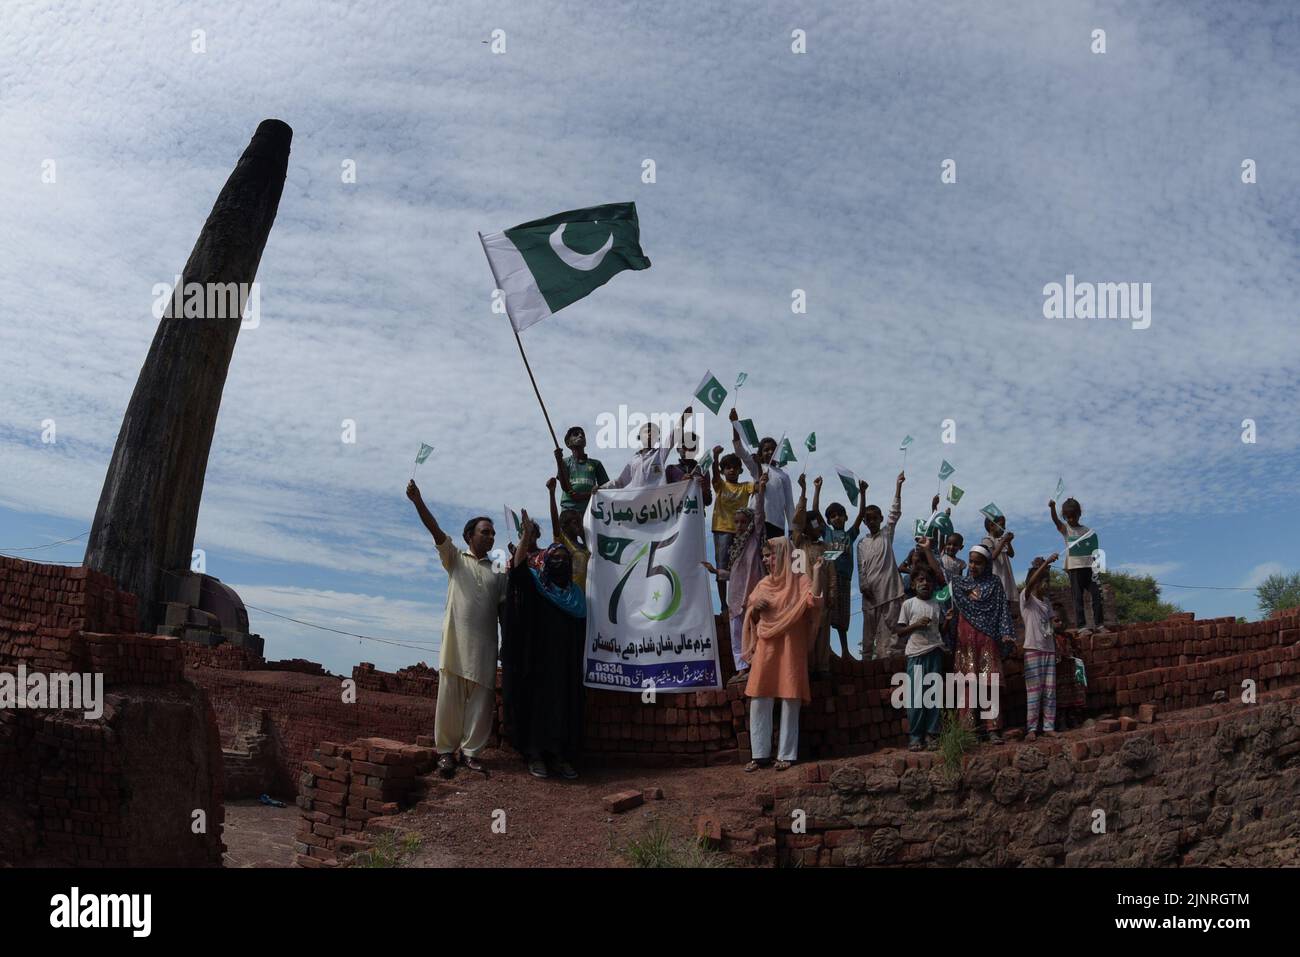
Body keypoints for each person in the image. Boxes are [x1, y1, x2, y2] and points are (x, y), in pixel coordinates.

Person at [406, 480, 506, 778]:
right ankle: (446, 753)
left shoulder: (498, 570)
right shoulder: (454, 559)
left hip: (486, 645)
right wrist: (418, 501)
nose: (490, 537)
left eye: (492, 533)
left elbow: (504, 609)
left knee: (481, 701)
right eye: (484, 532)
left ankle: (472, 754)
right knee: (449, 698)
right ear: (469, 536)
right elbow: (435, 530)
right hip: (454, 644)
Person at [501, 509, 586, 780]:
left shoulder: (576, 597)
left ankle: (560, 757)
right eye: (555, 559)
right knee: (537, 709)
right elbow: (517, 571)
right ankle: (535, 755)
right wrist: (526, 536)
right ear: (547, 562)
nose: (560, 562)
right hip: (537, 662)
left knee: (564, 709)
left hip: (565, 666)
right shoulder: (538, 585)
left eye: (564, 558)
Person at [741, 537, 825, 771]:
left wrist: (817, 572)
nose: (767, 560)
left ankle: (787, 754)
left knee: (790, 698)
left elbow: (814, 603)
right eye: (765, 556)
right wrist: (754, 609)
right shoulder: (763, 584)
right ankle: (759, 755)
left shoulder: (801, 580)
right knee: (759, 696)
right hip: (766, 644)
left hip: (791, 644)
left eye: (771, 554)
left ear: (785, 555)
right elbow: (750, 611)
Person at [947, 543, 1016, 743]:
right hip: (964, 637)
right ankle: (967, 731)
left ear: (986, 564)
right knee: (966, 683)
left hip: (987, 637)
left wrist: (1006, 633)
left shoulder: (994, 583)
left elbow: (1003, 608)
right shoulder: (960, 584)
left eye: (978, 563)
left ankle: (992, 728)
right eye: (971, 562)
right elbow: (938, 573)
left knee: (989, 682)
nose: (973, 566)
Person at [702, 472, 768, 677]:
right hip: (735, 596)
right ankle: (741, 670)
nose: (738, 525)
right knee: (736, 634)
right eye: (736, 522)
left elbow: (759, 515)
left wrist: (762, 490)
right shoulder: (734, 548)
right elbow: (731, 574)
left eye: (742, 522)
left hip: (754, 594)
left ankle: (758, 666)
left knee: (756, 631)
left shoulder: (754, 539)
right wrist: (716, 571)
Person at [895, 540, 952, 751]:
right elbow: (900, 632)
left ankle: (932, 734)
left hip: (935, 652)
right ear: (912, 584)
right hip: (915, 655)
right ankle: (915, 736)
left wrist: (946, 621)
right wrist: (915, 625)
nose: (925, 583)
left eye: (928, 580)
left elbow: (942, 632)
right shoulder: (908, 604)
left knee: (933, 695)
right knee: (916, 697)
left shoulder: (937, 604)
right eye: (920, 580)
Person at [857, 471, 906, 659]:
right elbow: (861, 568)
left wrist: (898, 486)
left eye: (874, 518)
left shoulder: (886, 534)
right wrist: (863, 586)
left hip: (891, 591)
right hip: (870, 595)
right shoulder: (861, 543)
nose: (871, 522)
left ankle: (892, 663)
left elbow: (895, 512)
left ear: (880, 519)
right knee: (868, 634)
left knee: (894, 630)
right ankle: (867, 664)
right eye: (867, 519)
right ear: (864, 522)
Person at [819, 476, 868, 660]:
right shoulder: (827, 533)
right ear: (829, 521)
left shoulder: (850, 535)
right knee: (828, 614)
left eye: (840, 514)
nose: (837, 518)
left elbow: (861, 514)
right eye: (832, 516)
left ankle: (846, 651)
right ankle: (828, 649)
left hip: (845, 580)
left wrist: (863, 493)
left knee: (843, 618)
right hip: (829, 578)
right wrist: (817, 489)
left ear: (845, 517)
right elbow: (815, 512)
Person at [729, 406, 794, 538]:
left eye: (773, 449)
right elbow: (739, 449)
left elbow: (789, 503)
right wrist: (735, 424)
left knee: (772, 558)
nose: (770, 452)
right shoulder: (756, 466)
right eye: (766, 450)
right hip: (755, 519)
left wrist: (792, 529)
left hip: (777, 524)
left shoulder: (784, 475)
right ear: (760, 453)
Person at [792, 475, 832, 679]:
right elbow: (799, 518)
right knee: (806, 629)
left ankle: (822, 667)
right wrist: (805, 491)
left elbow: (831, 573)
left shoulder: (826, 547)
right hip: (802, 596)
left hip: (822, 596)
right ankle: (806, 668)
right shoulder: (798, 541)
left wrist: (832, 593)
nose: (819, 526)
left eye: (820, 524)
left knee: (823, 630)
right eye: (814, 523)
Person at [1049, 497, 1107, 633]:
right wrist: (1052, 508)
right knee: (1078, 598)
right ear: (1064, 517)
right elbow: (1056, 522)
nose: (1070, 520)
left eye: (1073, 517)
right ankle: (1082, 627)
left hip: (1090, 568)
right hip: (1074, 569)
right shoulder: (1066, 529)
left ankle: (1100, 625)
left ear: (1079, 515)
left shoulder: (1088, 531)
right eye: (1067, 517)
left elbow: (1094, 550)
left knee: (1097, 596)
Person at [1020, 553, 1061, 741]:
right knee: (1034, 691)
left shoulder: (1047, 603)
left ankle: (1048, 725)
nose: (1047, 585)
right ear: (1036, 582)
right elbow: (1029, 585)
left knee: (1050, 690)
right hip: (1033, 649)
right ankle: (1031, 728)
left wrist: (1056, 625)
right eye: (1044, 581)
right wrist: (1045, 564)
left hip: (1048, 648)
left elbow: (1051, 623)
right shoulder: (1026, 598)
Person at [709, 447, 755, 606]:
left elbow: (759, 484)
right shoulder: (720, 485)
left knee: (741, 566)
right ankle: (723, 605)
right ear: (723, 471)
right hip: (722, 530)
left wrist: (757, 464)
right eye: (728, 467)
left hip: (741, 532)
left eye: (735, 467)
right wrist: (715, 457)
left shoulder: (746, 486)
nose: (732, 470)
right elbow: (714, 474)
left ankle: (741, 600)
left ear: (740, 470)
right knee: (721, 568)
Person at [608, 406, 692, 490]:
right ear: (640, 436)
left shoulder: (660, 453)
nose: (650, 434)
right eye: (646, 431)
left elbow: (673, 435)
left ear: (657, 438)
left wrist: (683, 419)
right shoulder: (633, 461)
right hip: (637, 501)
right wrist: (601, 488)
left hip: (656, 501)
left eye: (653, 432)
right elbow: (620, 482)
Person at [546, 476, 590, 591]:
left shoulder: (584, 546)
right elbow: (554, 520)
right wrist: (552, 493)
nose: (578, 525)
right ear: (565, 525)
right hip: (567, 594)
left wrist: (582, 534)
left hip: (584, 596)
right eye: (575, 522)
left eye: (579, 522)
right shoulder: (562, 541)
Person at [980, 513, 1018, 622]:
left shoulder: (1002, 540)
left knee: (1006, 601)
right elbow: (992, 556)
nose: (1004, 528)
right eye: (1002, 525)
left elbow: (1011, 554)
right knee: (997, 603)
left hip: (1005, 577)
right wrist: (1003, 541)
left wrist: (1008, 542)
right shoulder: (987, 540)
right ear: (992, 525)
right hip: (996, 576)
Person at [665, 430, 713, 507]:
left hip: (696, 516)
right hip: (677, 517)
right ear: (678, 449)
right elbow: (664, 499)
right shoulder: (670, 469)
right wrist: (681, 484)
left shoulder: (703, 470)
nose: (688, 450)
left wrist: (704, 489)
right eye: (684, 447)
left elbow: (708, 501)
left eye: (692, 447)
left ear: (696, 450)